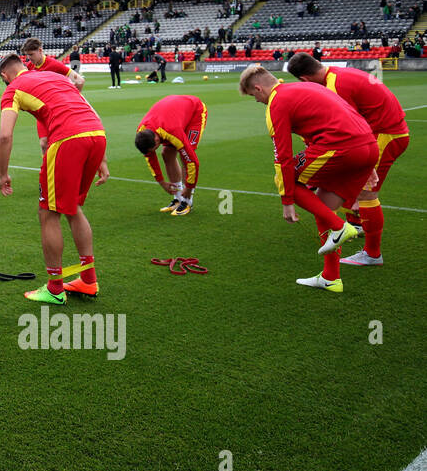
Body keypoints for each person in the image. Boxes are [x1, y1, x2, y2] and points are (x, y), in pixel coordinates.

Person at [239, 65, 378, 293]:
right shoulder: (307, 87)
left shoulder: (277, 102)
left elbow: (282, 156)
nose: (256, 101)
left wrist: (287, 201)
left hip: (342, 147)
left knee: (284, 178)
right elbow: (350, 114)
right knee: (322, 206)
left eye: (254, 95)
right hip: (367, 146)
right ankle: (331, 277)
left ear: (258, 88)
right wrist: (368, 160)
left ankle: (339, 227)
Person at [0, 53, 109, 304]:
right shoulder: (51, 75)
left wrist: (3, 173)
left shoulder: (12, 89)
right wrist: (100, 158)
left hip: (68, 139)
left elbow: (5, 135)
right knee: (72, 208)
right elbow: (88, 109)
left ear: (5, 75)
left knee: (48, 212)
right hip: (96, 134)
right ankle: (88, 280)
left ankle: (55, 288)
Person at [285, 53, 410, 266]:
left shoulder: (335, 87)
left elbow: (346, 126)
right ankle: (357, 223)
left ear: (304, 79)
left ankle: (372, 254)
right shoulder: (338, 75)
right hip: (384, 132)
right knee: (348, 180)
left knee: (366, 193)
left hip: (383, 135)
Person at [135, 95, 207, 215]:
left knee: (185, 157)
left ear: (157, 140)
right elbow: (150, 158)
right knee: (166, 153)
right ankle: (178, 198)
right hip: (173, 115)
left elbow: (193, 162)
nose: (153, 151)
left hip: (195, 112)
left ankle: (187, 201)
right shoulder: (142, 132)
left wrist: (189, 188)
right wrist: (162, 183)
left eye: (154, 148)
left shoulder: (172, 131)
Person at [22, 38, 86, 153]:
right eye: (27, 55)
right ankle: (46, 169)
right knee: (44, 143)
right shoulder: (29, 67)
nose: (29, 58)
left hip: (58, 112)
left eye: (31, 54)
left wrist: (74, 98)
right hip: (42, 111)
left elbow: (80, 80)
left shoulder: (54, 65)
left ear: (40, 50)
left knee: (63, 142)